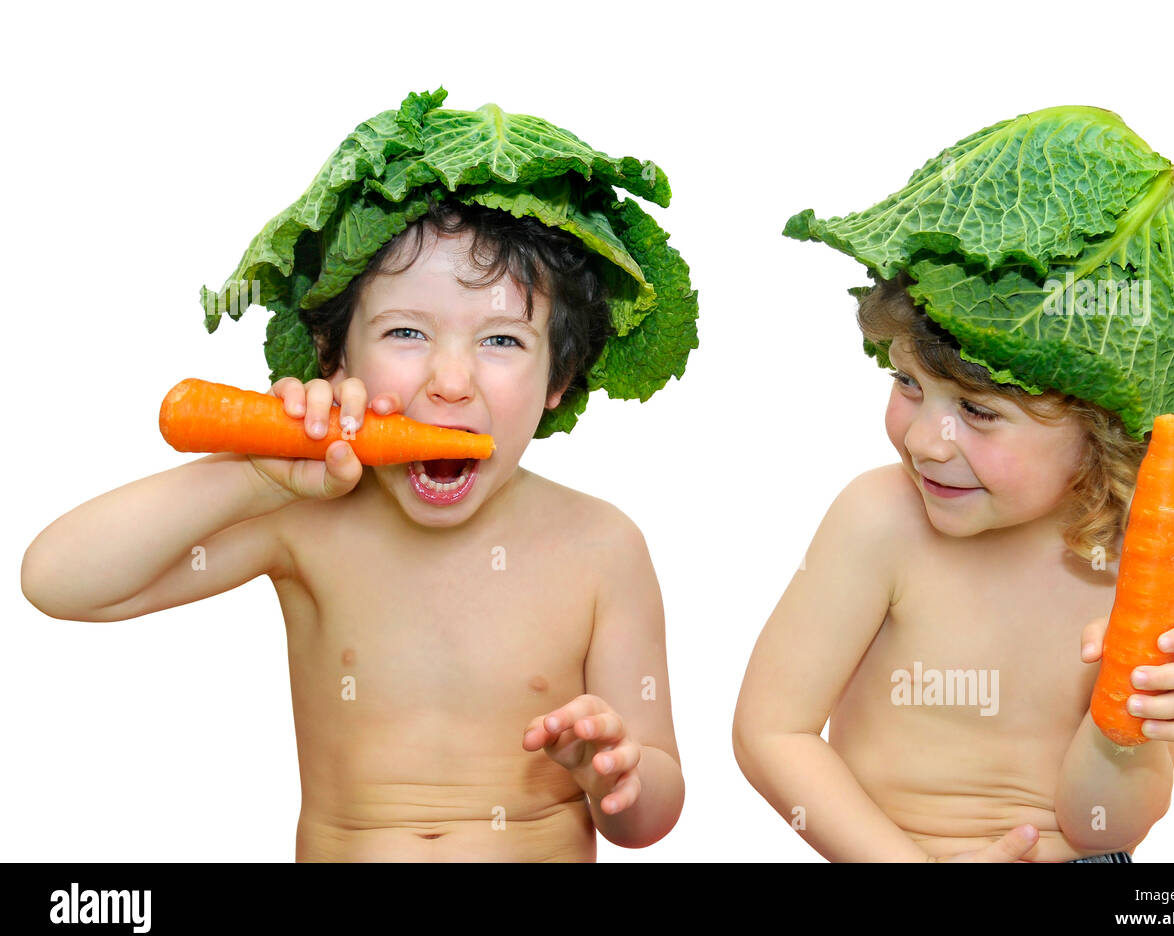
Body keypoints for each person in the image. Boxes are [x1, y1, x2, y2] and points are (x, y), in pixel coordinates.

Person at [21, 89, 696, 861]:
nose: (450, 381)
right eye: (406, 331)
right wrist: (264, 474)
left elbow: (651, 814)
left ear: (559, 379)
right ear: (333, 354)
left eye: (502, 341)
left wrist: (614, 772)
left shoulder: (601, 545)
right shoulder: (304, 518)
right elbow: (58, 578)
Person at [733, 105, 1174, 862]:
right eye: (908, 383)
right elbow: (769, 732)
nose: (923, 439)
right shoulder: (879, 520)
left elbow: (1098, 827)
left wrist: (1128, 735)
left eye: (978, 410)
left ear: (1110, 424)